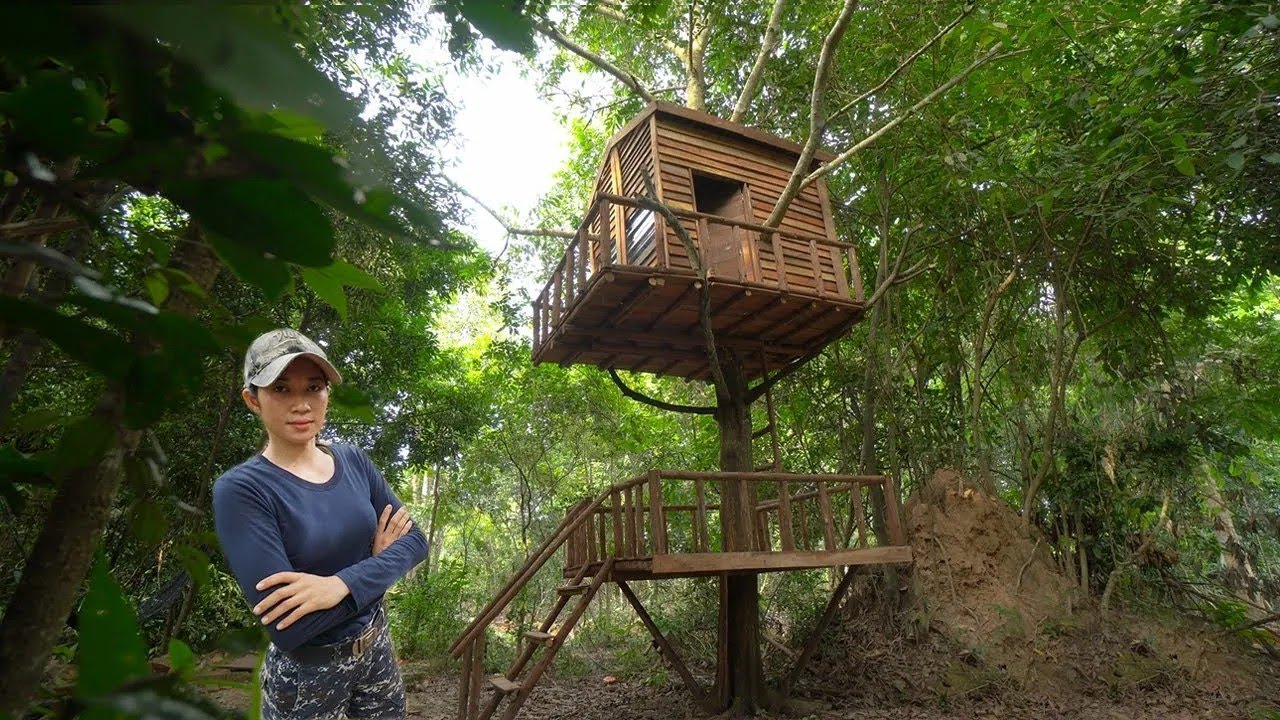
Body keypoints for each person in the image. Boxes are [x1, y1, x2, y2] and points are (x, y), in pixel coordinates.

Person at [212, 328, 428, 720]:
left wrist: (339, 585)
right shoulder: (242, 490)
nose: (301, 405)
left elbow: (416, 542)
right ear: (252, 400)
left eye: (314, 388)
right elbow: (290, 627)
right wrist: (378, 567)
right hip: (306, 675)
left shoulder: (355, 462)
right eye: (281, 389)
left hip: (376, 651)